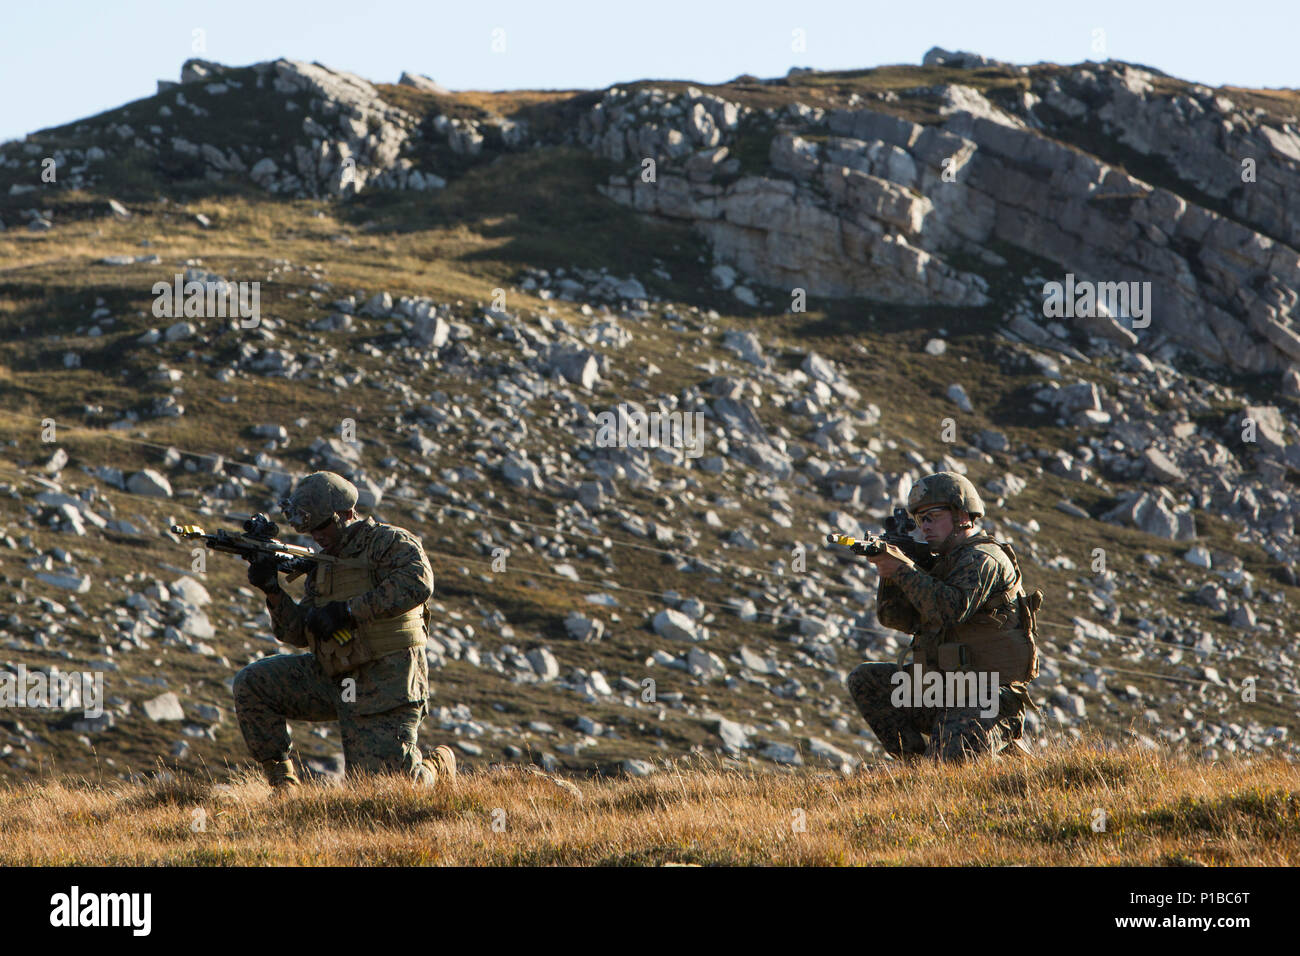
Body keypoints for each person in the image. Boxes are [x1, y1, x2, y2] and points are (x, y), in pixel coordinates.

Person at [233, 471, 455, 788]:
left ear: (347, 514)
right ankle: (283, 786)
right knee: (253, 683)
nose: (317, 536)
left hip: (387, 681)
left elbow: (418, 583)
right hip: (337, 675)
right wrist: (272, 590)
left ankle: (437, 766)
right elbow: (297, 633)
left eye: (323, 526)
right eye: (310, 530)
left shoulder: (388, 541)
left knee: (385, 792)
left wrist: (349, 611)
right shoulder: (322, 565)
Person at [846, 471, 1042, 762]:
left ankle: (985, 745)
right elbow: (897, 619)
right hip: (941, 689)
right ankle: (914, 767)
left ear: (962, 515)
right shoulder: (940, 563)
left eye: (931, 517)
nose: (923, 527)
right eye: (919, 520)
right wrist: (891, 571)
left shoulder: (984, 559)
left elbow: (950, 610)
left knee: (947, 766)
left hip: (987, 696)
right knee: (866, 680)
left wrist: (902, 570)